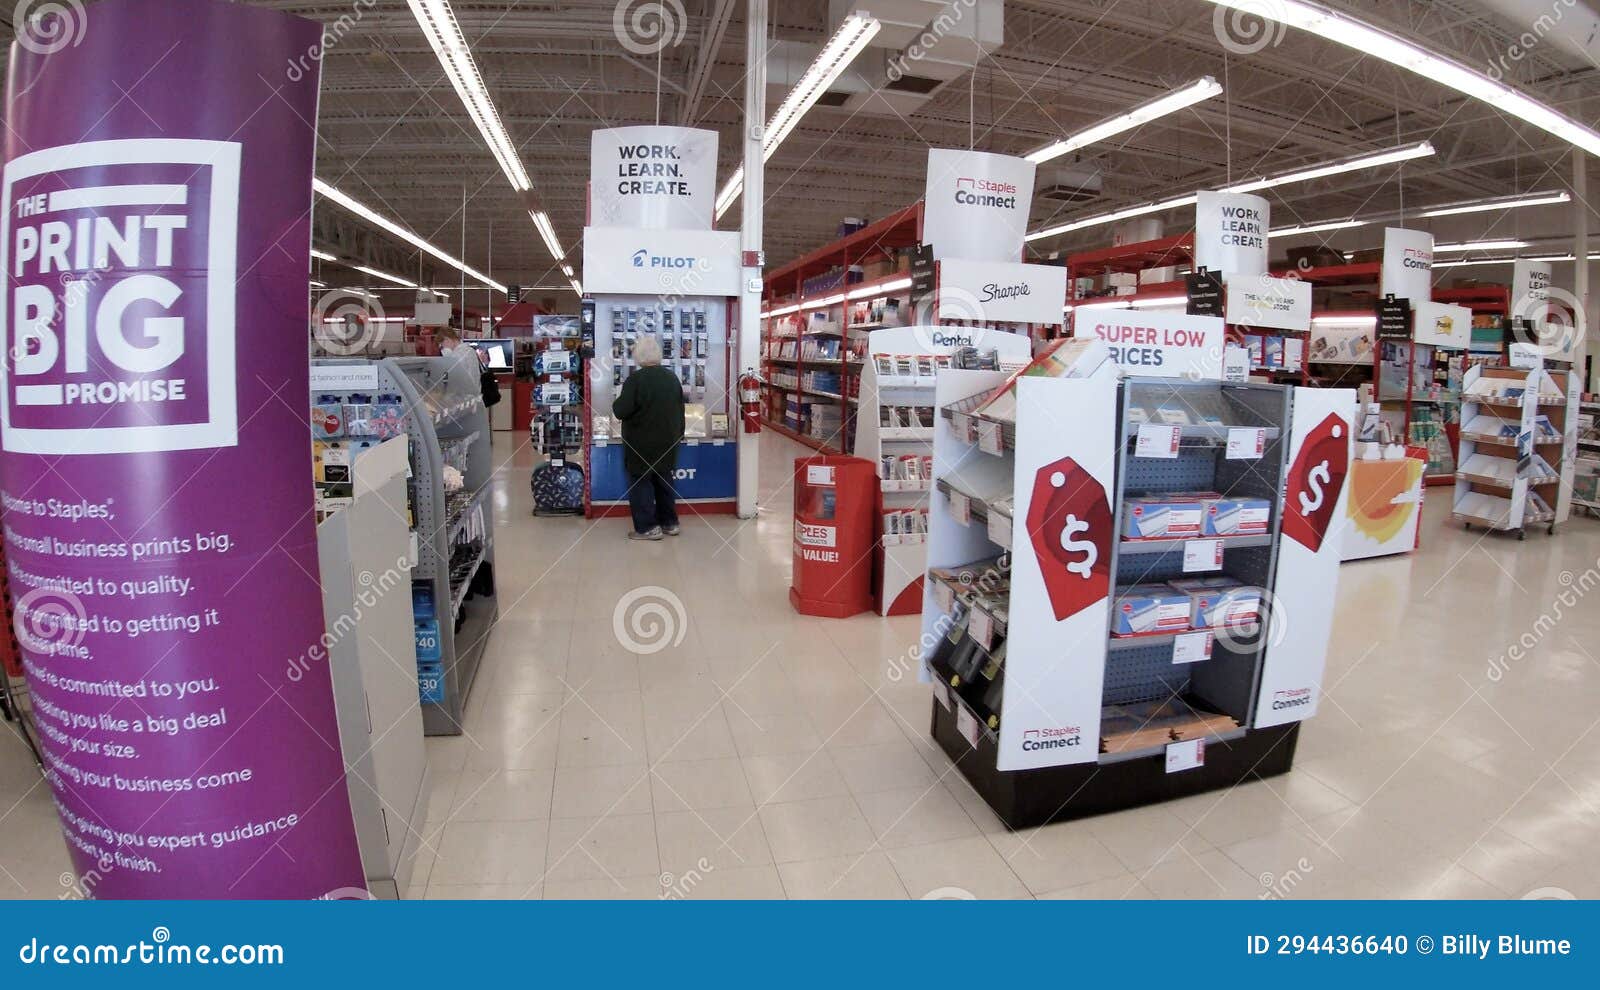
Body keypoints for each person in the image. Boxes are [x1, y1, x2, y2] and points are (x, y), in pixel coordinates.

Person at [612, 336, 685, 540]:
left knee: (640, 483)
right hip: (668, 441)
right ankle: (670, 523)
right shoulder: (671, 378)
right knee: (664, 481)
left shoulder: (635, 380)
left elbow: (620, 410)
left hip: (640, 443)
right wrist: (679, 434)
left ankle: (647, 528)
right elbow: (680, 409)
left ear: (638, 356)